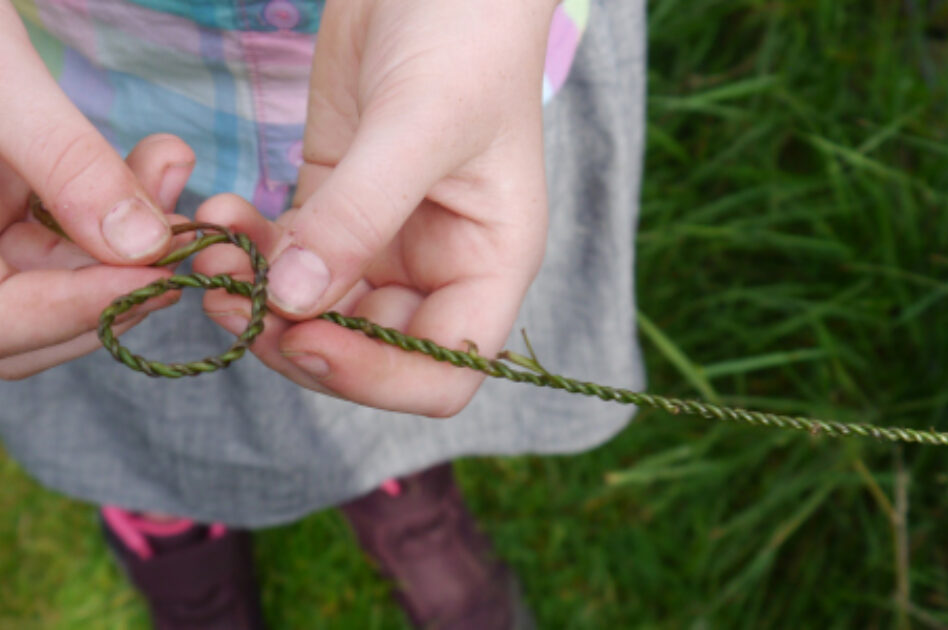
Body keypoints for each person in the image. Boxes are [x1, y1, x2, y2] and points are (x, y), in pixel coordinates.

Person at [0, 0, 646, 628]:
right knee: (114, 362)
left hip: (465, 76)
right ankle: (166, 517)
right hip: (79, 98)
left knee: (391, 334)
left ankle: (389, 479)